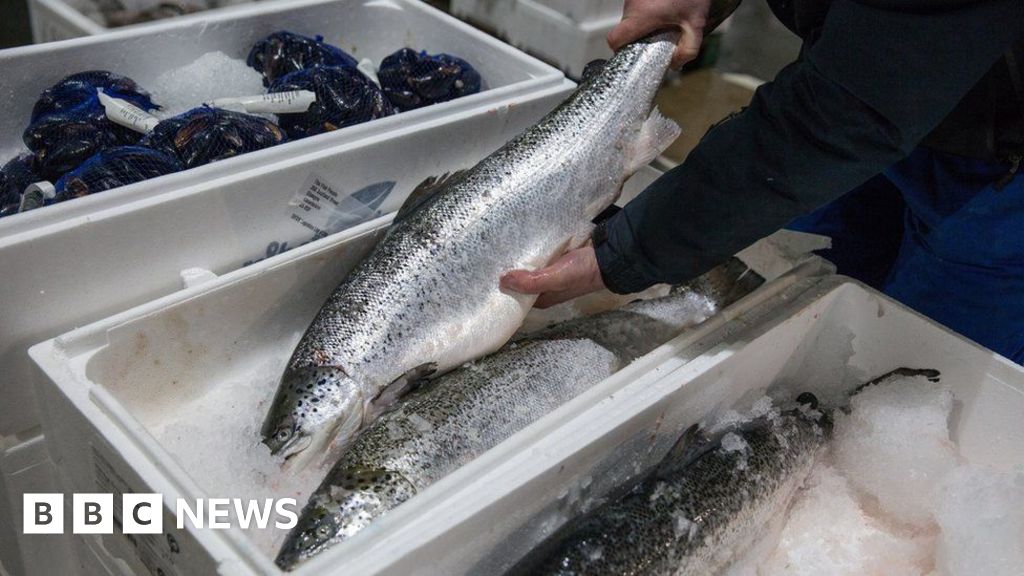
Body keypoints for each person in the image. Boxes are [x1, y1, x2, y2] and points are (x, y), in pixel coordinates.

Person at [501, 0, 1024, 363]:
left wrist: (623, 251)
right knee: (784, 299)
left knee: (911, 375)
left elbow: (848, 116)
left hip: (999, 166)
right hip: (863, 73)